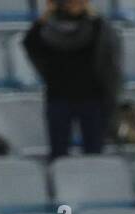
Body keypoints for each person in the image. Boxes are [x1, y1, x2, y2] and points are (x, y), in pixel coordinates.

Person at [24, 0, 122, 159]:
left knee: (94, 152)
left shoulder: (98, 26)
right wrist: (45, 17)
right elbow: (31, 43)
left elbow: (110, 63)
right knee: (59, 153)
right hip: (58, 96)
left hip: (92, 97)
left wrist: (111, 95)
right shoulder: (47, 28)